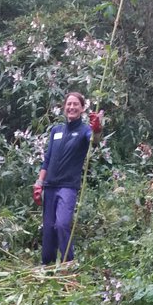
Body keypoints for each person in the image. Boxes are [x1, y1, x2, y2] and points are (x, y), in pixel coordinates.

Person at [33, 92, 104, 266]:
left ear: (82, 108)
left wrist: (97, 129)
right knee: (48, 228)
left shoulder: (84, 130)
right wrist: (39, 183)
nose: (72, 107)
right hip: (50, 185)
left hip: (68, 186)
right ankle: (47, 265)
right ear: (64, 107)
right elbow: (47, 159)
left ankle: (67, 262)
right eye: (69, 104)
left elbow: (94, 141)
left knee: (62, 224)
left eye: (76, 104)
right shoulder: (56, 130)